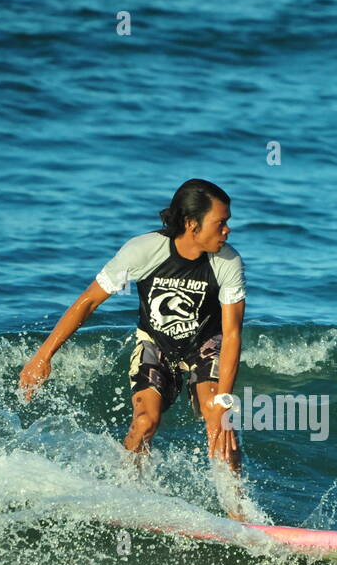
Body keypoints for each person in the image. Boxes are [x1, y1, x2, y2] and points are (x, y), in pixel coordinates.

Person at [18, 178, 247, 494]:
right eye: (221, 223)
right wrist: (43, 356)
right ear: (192, 224)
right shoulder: (143, 250)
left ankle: (238, 511)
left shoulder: (227, 261)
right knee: (143, 422)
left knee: (218, 420)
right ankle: (128, 494)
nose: (227, 230)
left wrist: (224, 401)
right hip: (156, 345)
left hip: (204, 346)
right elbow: (88, 301)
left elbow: (233, 333)